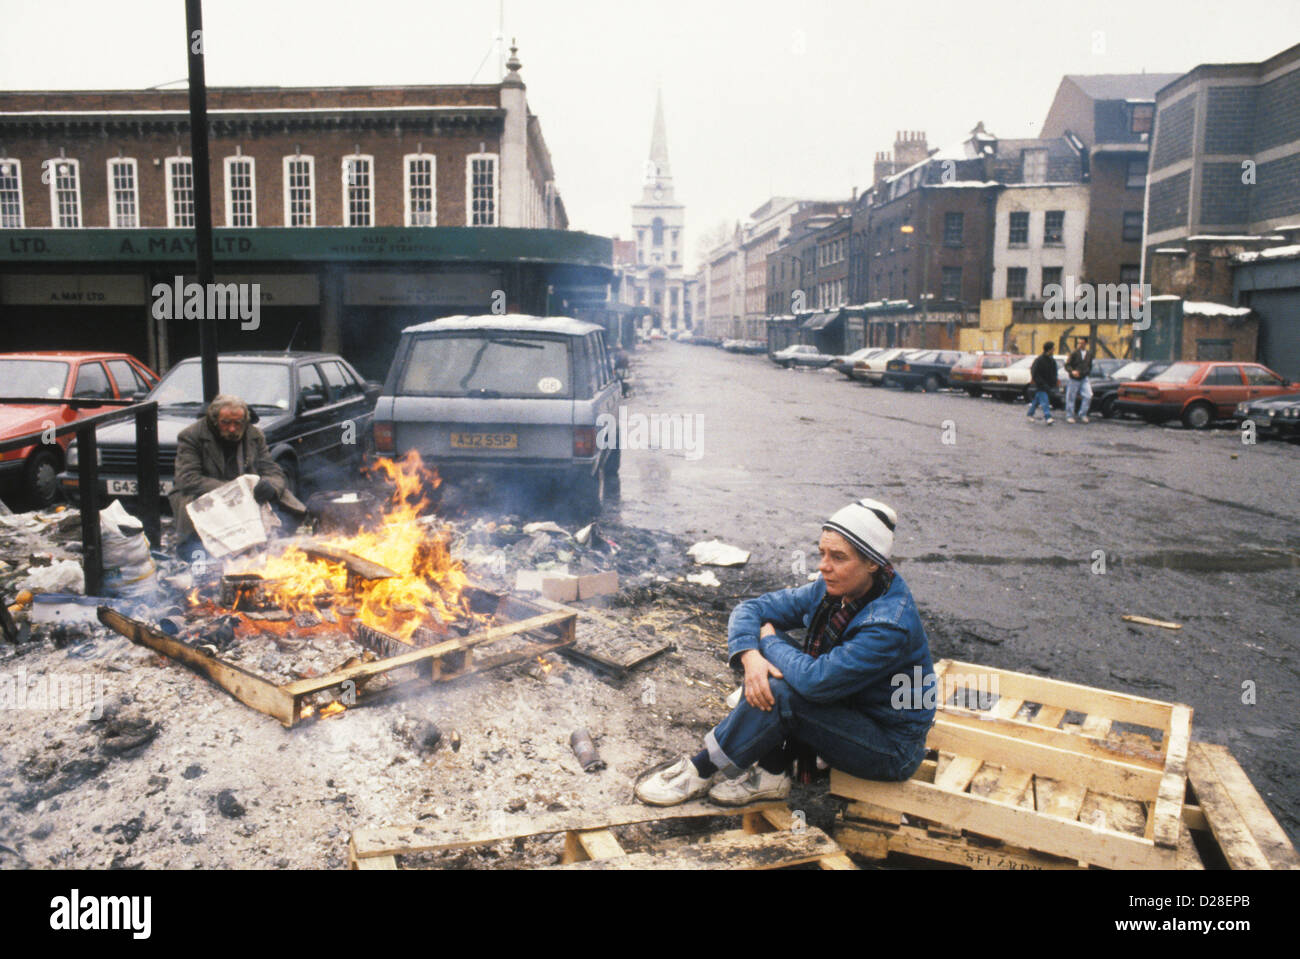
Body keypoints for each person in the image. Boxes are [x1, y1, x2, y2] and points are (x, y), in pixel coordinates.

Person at [634, 499, 936, 806]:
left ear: (873, 562)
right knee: (768, 662)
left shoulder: (889, 625)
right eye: (822, 554)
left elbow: (816, 683)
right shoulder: (832, 588)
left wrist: (769, 643)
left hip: (889, 748)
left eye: (838, 557)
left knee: (782, 687)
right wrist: (751, 656)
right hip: (851, 709)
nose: (823, 566)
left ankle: (702, 768)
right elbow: (750, 608)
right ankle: (771, 773)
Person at [169, 394, 306, 559]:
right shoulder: (192, 436)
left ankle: (270, 549)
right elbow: (187, 478)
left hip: (247, 496)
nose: (232, 429)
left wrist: (271, 485)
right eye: (226, 423)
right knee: (198, 542)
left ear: (245, 421)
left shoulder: (254, 435)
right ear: (214, 420)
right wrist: (235, 490)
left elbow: (272, 470)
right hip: (206, 494)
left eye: (237, 423)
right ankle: (202, 555)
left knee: (283, 500)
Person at [1026, 341, 1058, 425]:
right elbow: (1034, 372)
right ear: (1049, 349)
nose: (1054, 349)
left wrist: (1053, 382)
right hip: (1041, 385)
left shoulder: (1052, 360)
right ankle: (1048, 417)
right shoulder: (1039, 360)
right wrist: (1040, 382)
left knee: (1037, 400)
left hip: (1048, 385)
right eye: (1053, 348)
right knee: (1045, 401)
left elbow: (1054, 372)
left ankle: (1030, 414)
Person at [1064, 336, 1094, 424]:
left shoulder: (1089, 354)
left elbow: (1090, 366)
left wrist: (1086, 372)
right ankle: (1069, 415)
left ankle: (1083, 414)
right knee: (1071, 397)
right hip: (1074, 379)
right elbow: (1067, 365)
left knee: (1088, 395)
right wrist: (1072, 371)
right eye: (1078, 343)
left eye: (1081, 343)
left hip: (1084, 378)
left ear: (1086, 343)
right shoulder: (1074, 353)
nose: (1079, 345)